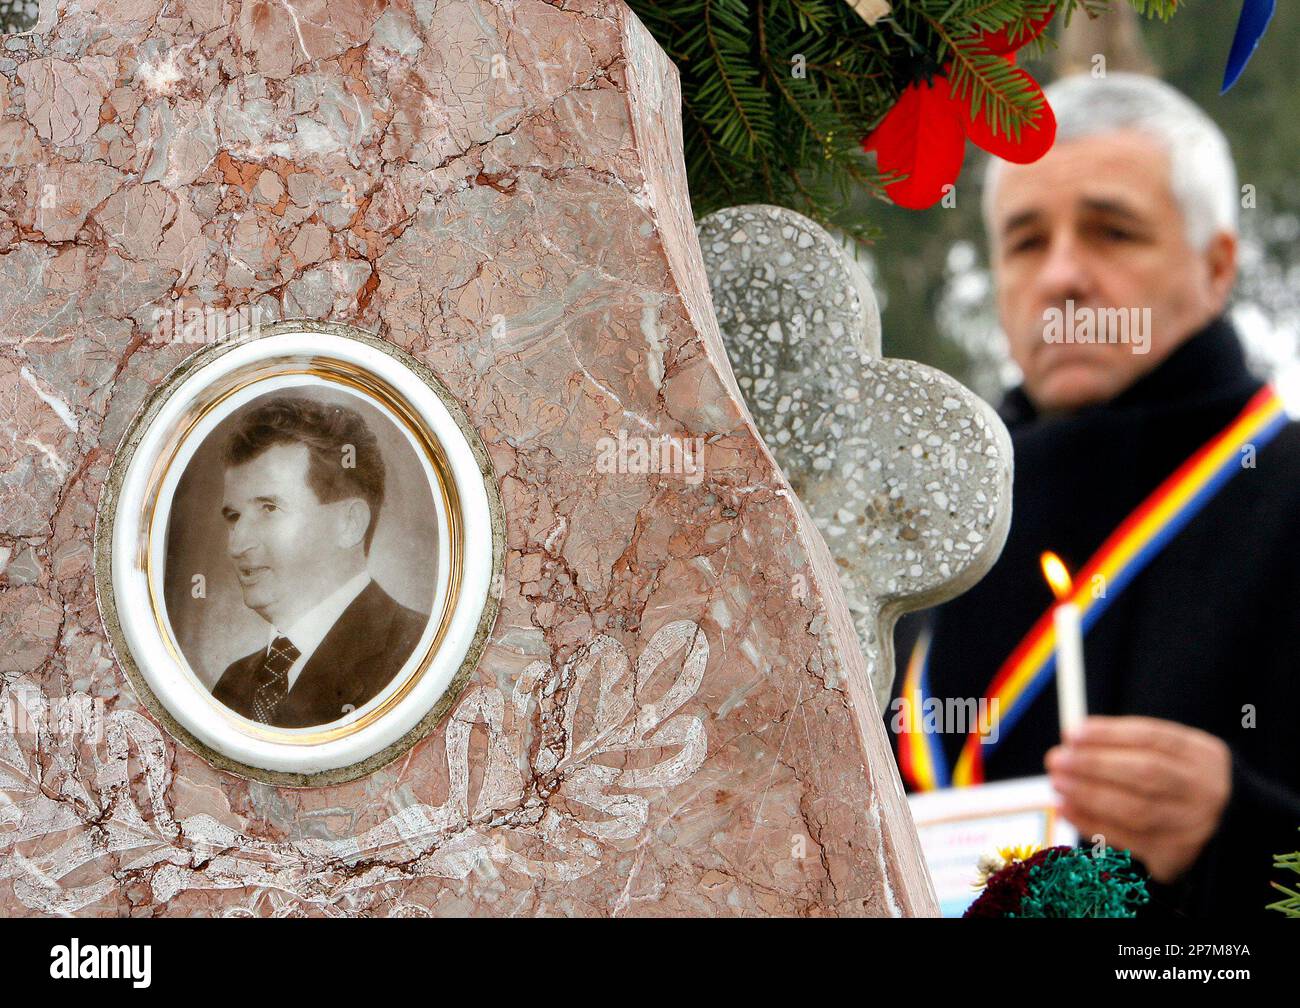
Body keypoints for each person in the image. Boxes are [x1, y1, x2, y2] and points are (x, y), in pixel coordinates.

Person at [891, 73, 1300, 917]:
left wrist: (1243, 839)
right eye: (1027, 240)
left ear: (1217, 264)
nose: (1065, 276)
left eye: (1113, 231)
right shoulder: (916, 535)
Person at [212, 395, 427, 728]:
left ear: (350, 523)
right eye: (234, 516)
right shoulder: (232, 686)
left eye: (269, 508)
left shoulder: (417, 657)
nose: (237, 544)